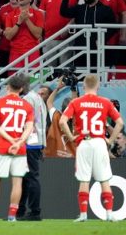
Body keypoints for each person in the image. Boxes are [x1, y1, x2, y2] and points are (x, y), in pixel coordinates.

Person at [60, 74, 124, 222]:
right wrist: (110, 140)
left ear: (84, 86)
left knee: (84, 180)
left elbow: (63, 121)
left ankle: (83, 214)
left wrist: (71, 137)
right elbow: (120, 123)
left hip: (84, 143)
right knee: (104, 179)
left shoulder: (76, 102)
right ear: (98, 86)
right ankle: (109, 213)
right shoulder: (105, 102)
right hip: (99, 142)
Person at [0, 74, 34, 222]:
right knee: (17, 182)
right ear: (22, 88)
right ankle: (12, 215)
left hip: (3, 146)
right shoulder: (27, 106)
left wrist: (10, 140)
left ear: (8, 86)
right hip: (20, 148)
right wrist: (19, 141)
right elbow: (29, 128)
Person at [17, 81, 48, 221]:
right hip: (37, 141)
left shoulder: (27, 99)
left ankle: (35, 211)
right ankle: (21, 210)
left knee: (30, 177)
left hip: (29, 141)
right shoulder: (37, 97)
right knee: (26, 177)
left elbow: (26, 120)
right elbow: (43, 120)